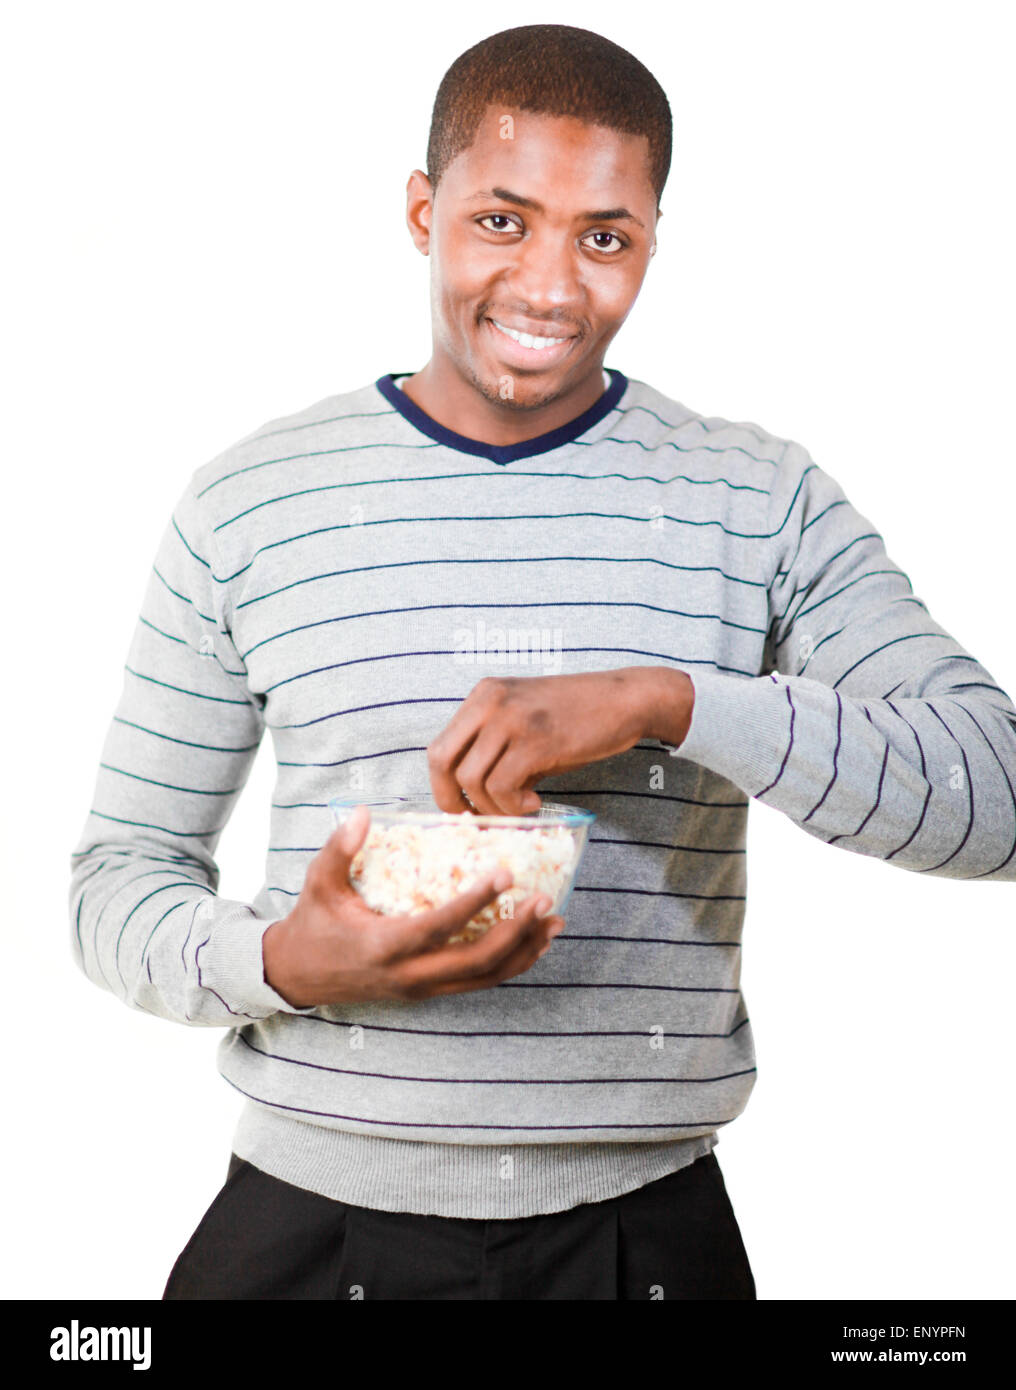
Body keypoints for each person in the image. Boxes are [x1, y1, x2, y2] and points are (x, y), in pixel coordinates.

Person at [69, 23, 1016, 1302]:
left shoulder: (757, 499)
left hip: (643, 1241)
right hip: (305, 1230)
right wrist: (289, 961)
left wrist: (663, 701)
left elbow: (992, 797)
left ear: (650, 243)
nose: (552, 288)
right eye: (503, 221)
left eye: (604, 236)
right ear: (422, 208)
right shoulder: (249, 501)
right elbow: (117, 882)